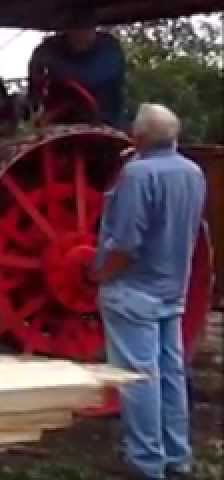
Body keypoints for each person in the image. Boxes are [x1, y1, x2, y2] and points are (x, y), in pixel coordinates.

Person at [91, 103, 206, 480]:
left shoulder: (138, 175)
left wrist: (101, 275)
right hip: (173, 289)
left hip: (132, 290)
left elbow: (124, 242)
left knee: (138, 378)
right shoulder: (193, 172)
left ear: (138, 136)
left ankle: (145, 463)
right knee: (170, 374)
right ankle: (177, 457)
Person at [26, 24, 126, 127]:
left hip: (105, 124)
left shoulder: (109, 48)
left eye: (85, 25)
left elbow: (109, 88)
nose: (80, 34)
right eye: (75, 25)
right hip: (60, 126)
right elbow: (35, 91)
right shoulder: (48, 50)